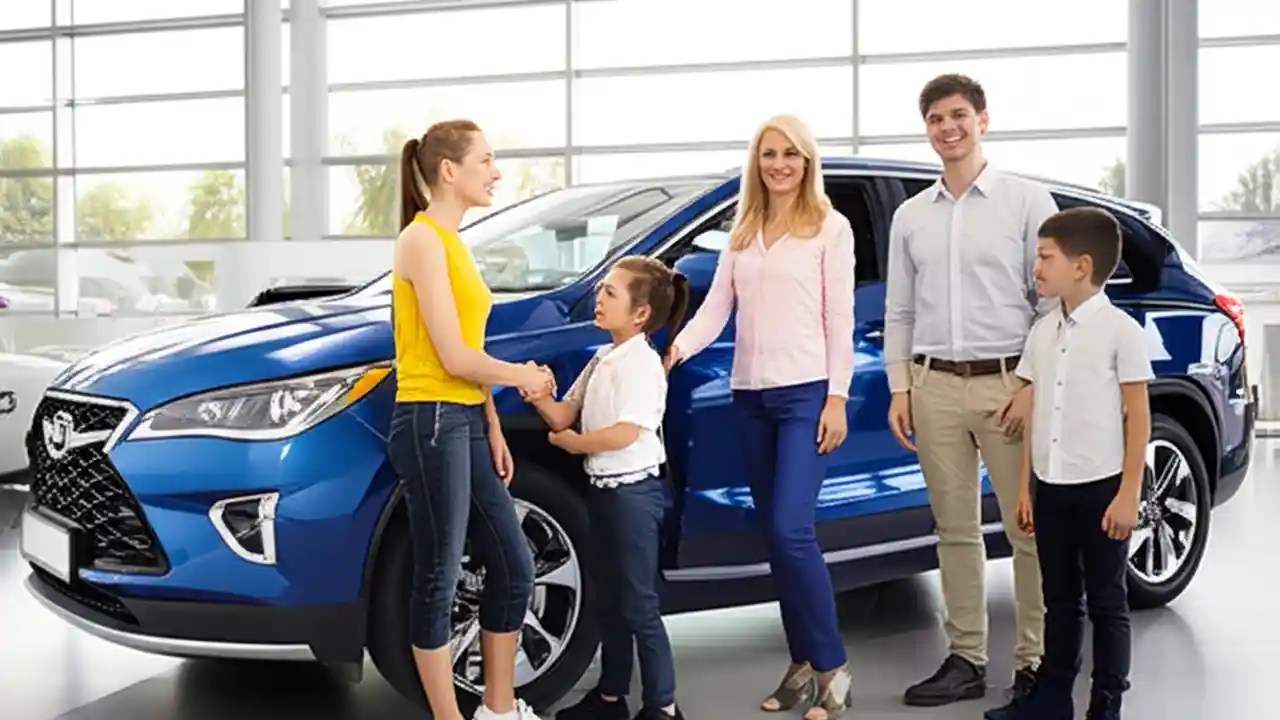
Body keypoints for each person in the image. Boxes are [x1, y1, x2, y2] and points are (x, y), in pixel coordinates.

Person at [667, 114, 856, 720]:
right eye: (769, 153)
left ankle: (831, 667)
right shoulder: (743, 232)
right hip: (750, 397)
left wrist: (837, 398)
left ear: (807, 162)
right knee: (776, 539)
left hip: (807, 396)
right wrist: (675, 350)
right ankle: (803, 665)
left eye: (791, 154)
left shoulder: (831, 228)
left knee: (791, 528)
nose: (779, 164)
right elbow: (716, 310)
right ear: (757, 161)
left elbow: (841, 320)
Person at [883, 73, 1058, 708]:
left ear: (984, 120)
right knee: (953, 529)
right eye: (935, 118)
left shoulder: (1026, 202)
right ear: (926, 128)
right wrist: (901, 389)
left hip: (1009, 382)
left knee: (1026, 528)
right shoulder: (910, 217)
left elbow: (1053, 306)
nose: (948, 127)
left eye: (959, 114)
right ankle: (966, 658)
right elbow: (899, 313)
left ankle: (1037, 659)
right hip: (933, 386)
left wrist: (1032, 385)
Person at [387, 119, 554, 720]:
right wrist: (524, 378)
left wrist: (491, 422)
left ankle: (499, 709)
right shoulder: (421, 241)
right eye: (486, 160)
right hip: (430, 421)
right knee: (439, 572)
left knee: (514, 563)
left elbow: (464, 348)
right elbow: (452, 357)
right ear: (448, 171)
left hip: (461, 417)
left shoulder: (454, 244)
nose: (497, 172)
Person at [985, 207, 1151, 720]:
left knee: (1106, 600)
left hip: (1101, 491)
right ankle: (1052, 699)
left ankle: (1106, 702)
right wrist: (1024, 491)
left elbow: (1138, 418)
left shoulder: (1120, 331)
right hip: (1050, 489)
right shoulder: (1042, 333)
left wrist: (1129, 494)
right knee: (1058, 598)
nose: (1036, 267)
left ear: (1081, 266)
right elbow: (1034, 409)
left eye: (1044, 257)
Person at [524, 255, 690, 720]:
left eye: (610, 293)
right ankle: (612, 696)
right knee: (609, 597)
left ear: (640, 314)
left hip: (633, 496)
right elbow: (563, 414)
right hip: (605, 491)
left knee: (638, 603)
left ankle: (663, 704)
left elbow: (625, 433)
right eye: (601, 290)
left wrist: (574, 444)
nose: (598, 298)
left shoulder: (642, 365)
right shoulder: (601, 360)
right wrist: (540, 397)